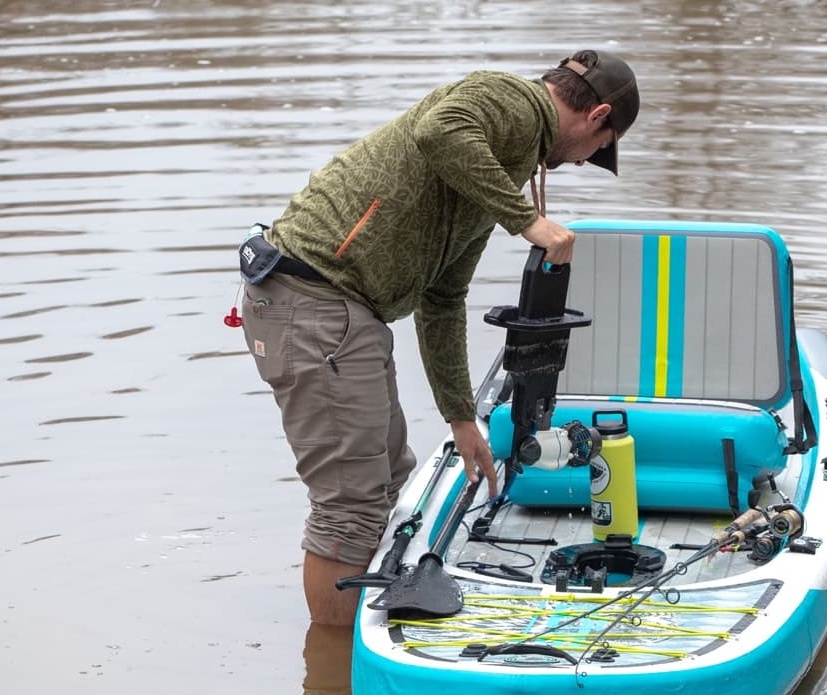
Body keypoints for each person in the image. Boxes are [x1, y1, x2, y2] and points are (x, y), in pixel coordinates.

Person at [238, 49, 640, 625]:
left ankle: (366, 641)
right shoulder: (515, 100)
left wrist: (459, 418)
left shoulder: (496, 168)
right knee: (350, 508)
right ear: (597, 116)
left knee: (392, 486)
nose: (580, 164)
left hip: (341, 314)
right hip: (315, 301)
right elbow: (439, 128)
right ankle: (330, 676)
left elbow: (443, 297)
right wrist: (526, 220)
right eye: (596, 153)